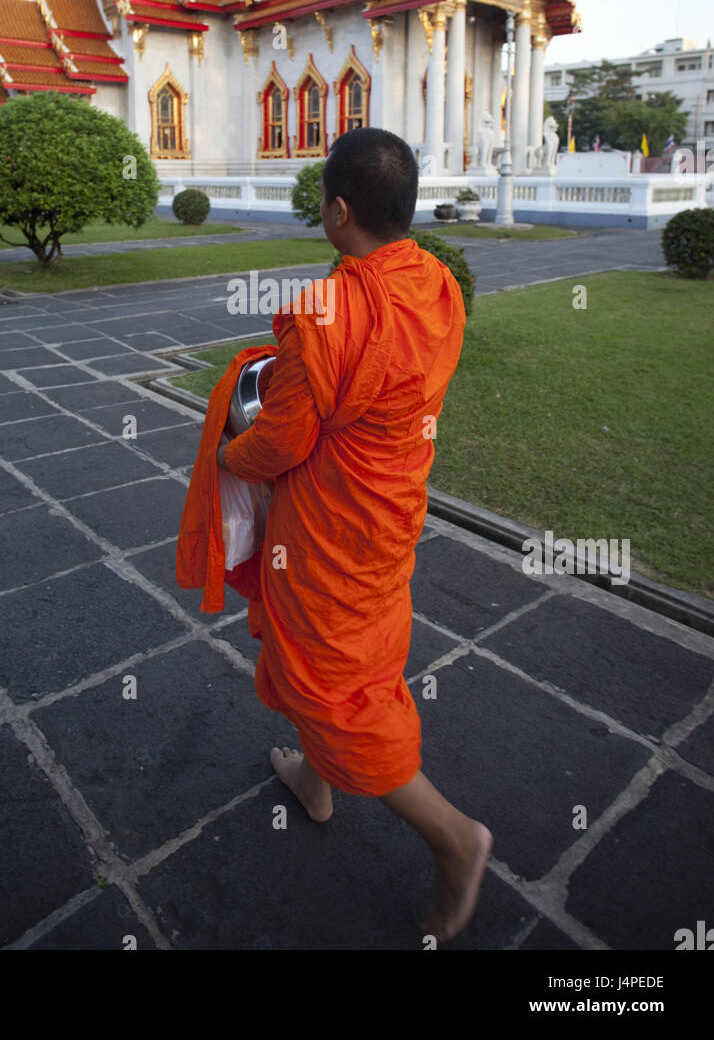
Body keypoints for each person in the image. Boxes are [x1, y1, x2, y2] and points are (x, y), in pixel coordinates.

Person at [216, 127, 492, 944]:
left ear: (338, 212)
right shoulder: (439, 285)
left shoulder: (324, 316)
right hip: (390, 510)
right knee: (355, 652)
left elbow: (283, 441)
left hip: (328, 525)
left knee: (335, 686)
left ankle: (453, 838)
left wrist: (226, 448)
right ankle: (312, 776)